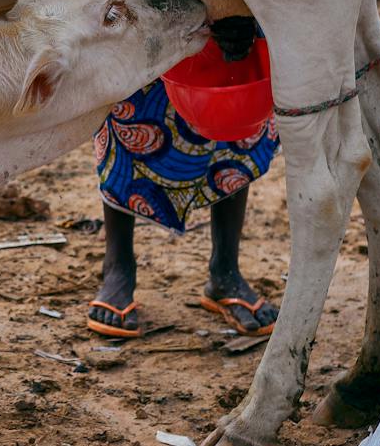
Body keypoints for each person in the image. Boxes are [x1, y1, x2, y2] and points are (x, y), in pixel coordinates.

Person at [86, 17, 280, 338]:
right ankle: (118, 267)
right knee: (131, 106)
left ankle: (225, 271)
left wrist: (246, 12)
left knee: (234, 112)